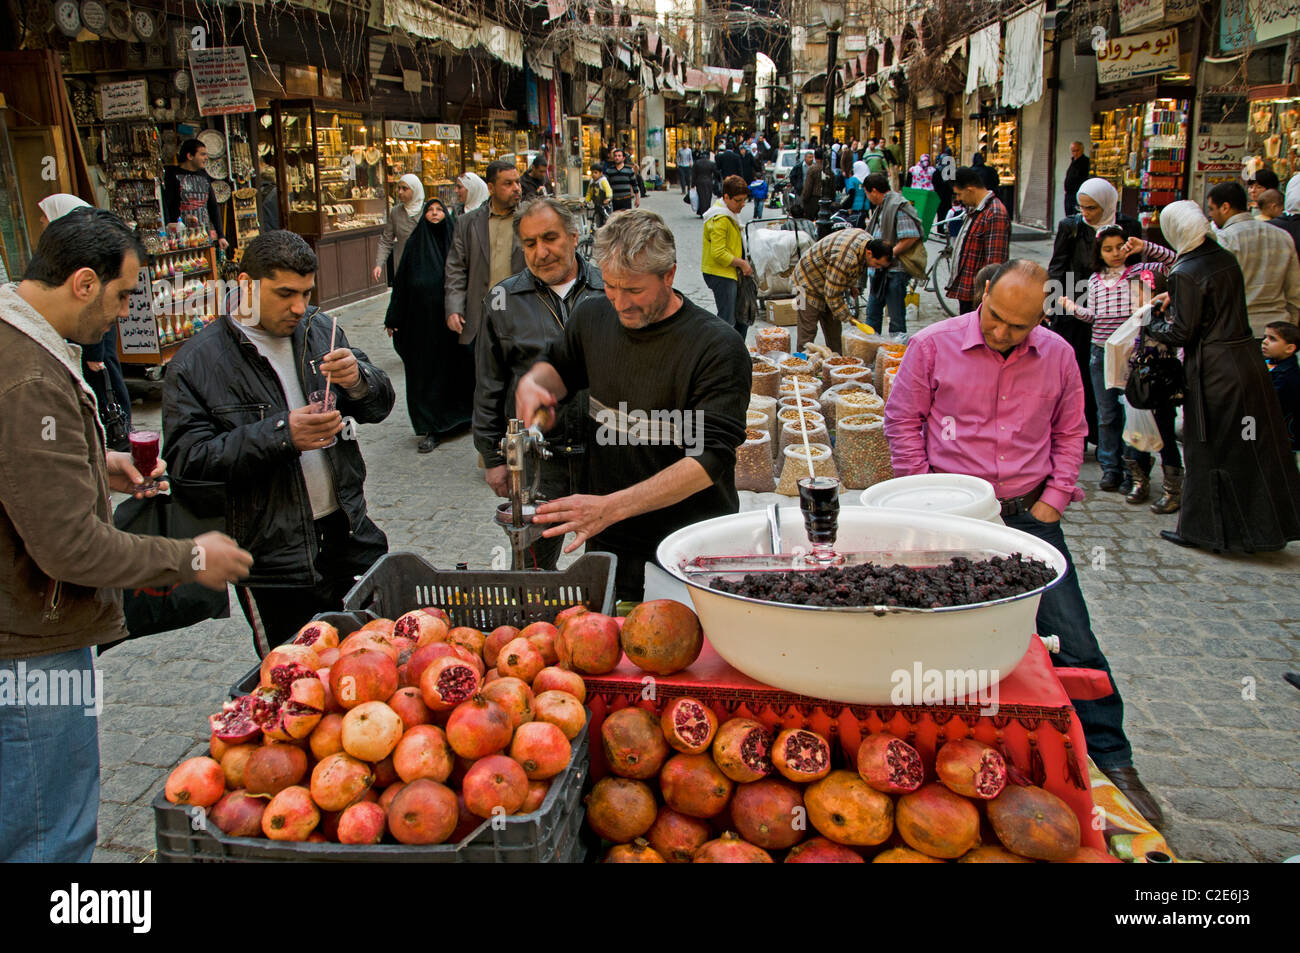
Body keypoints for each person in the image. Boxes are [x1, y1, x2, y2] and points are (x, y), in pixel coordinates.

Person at [0, 209, 252, 862]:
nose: (122, 314)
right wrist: (191, 555)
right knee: (46, 832)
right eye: (121, 296)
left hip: (21, 632)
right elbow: (70, 548)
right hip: (26, 642)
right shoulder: (28, 377)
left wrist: (97, 466)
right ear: (83, 282)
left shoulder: (18, 342)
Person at [883, 258, 1164, 827]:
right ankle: (949, 757)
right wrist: (925, 498)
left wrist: (1052, 500)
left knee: (1072, 635)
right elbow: (902, 420)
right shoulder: (933, 345)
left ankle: (1113, 759)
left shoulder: (1057, 355)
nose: (1003, 334)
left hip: (1031, 517)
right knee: (944, 640)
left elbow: (1071, 430)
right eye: (996, 318)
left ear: (1042, 317)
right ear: (983, 293)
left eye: (1019, 326)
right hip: (953, 519)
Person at [163, 230, 395, 654]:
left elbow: (379, 406)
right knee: (295, 671)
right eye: (285, 293)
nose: (298, 307)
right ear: (245, 284)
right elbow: (187, 463)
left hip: (348, 533)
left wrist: (360, 381)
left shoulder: (320, 330)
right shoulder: (197, 363)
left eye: (307, 293)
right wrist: (281, 436)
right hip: (273, 555)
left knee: (376, 655)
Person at [512, 209, 751, 601]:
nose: (620, 303)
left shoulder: (717, 347)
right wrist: (535, 384)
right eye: (610, 286)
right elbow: (560, 367)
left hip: (688, 547)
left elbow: (708, 461)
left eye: (635, 291)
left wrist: (610, 507)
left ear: (669, 275)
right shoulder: (592, 316)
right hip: (612, 542)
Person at [1142, 201, 1300, 552]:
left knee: (1206, 446)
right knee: (1249, 445)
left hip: (1214, 371)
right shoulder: (1224, 258)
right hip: (1246, 362)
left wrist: (1152, 320)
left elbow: (1182, 332)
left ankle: (1203, 531)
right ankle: (1258, 530)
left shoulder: (1185, 270)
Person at [474, 198, 605, 569]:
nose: (541, 252)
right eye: (530, 243)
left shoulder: (608, 288)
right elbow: (489, 385)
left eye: (550, 238)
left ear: (574, 236)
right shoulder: (502, 300)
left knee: (607, 561)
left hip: (604, 455)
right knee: (532, 569)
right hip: (539, 462)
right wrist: (494, 457)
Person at [1057, 227, 1176, 497]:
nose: (1114, 253)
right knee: (1106, 413)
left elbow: (1174, 262)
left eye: (1119, 247)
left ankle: (1133, 469)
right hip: (1100, 353)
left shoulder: (1139, 273)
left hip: (1133, 354)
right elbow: (1094, 317)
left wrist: (1144, 246)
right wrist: (1072, 307)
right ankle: (1110, 468)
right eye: (1107, 249)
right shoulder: (1095, 280)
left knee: (1132, 414)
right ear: (1098, 252)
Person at [1047, 176, 1142, 461]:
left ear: (1107, 204)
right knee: (1079, 373)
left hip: (1117, 312)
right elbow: (1058, 266)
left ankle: (1111, 442)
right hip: (1075, 306)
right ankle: (1081, 433)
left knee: (1112, 377)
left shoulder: (1127, 228)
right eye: (1083, 207)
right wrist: (1053, 307)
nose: (1086, 214)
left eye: (1093, 208)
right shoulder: (1071, 226)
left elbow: (1139, 267)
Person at [38, 194, 133, 448]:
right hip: (93, 336)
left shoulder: (83, 259)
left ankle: (119, 435)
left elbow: (94, 305)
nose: (42, 224)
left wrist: (94, 350)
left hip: (94, 338)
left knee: (106, 385)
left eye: (46, 218)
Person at [384, 199, 470, 453]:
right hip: (421, 326)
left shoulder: (456, 244)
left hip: (453, 326)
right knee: (426, 375)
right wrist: (393, 318)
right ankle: (431, 426)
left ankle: (461, 419)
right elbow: (400, 284)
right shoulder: (414, 245)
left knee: (456, 372)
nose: (434, 214)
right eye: (430, 210)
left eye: (439, 210)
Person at [445, 160, 526, 347]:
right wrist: (454, 308)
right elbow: (455, 268)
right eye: (508, 183)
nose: (516, 188)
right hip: (480, 318)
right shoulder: (468, 223)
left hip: (520, 316)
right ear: (491, 187)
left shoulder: (529, 219)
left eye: (517, 182)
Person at [1206, 181, 1300, 337]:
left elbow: (1215, 291)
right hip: (1277, 331)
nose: (1211, 215)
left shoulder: (1224, 239)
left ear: (1225, 207)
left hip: (1237, 331)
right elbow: (1294, 291)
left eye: (1211, 209)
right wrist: (1289, 328)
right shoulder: (1282, 236)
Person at [793, 230, 894, 352]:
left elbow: (855, 268)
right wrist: (849, 318)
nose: (877, 268)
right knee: (807, 331)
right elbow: (832, 296)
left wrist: (851, 284)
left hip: (829, 278)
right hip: (805, 280)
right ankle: (800, 365)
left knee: (834, 330)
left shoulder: (868, 241)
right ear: (869, 253)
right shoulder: (846, 259)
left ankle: (835, 363)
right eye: (877, 264)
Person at [946, 166, 1011, 314]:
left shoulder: (995, 213)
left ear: (970, 189)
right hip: (968, 292)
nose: (958, 199)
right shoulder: (975, 209)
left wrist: (986, 298)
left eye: (959, 194)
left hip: (978, 297)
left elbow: (995, 264)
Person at [863, 173, 922, 334]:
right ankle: (871, 349)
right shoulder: (883, 206)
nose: (868, 198)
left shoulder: (897, 205)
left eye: (867, 193)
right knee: (872, 314)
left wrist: (887, 256)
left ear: (874, 191)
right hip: (880, 271)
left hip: (895, 271)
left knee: (896, 318)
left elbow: (910, 236)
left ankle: (897, 355)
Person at [702, 176, 755, 339]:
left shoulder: (729, 214)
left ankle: (737, 350)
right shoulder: (720, 219)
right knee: (727, 319)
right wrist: (742, 263)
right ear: (726, 197)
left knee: (741, 316)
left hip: (731, 272)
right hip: (721, 274)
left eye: (744, 200)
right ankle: (722, 353)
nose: (742, 204)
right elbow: (718, 253)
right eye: (738, 201)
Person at [163, 138, 228, 251]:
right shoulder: (172, 176)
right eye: (202, 154)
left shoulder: (204, 176)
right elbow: (166, 205)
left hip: (203, 237)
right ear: (190, 156)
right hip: (181, 240)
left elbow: (213, 207)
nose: (206, 158)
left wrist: (221, 235)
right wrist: (169, 226)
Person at [373, 174, 425, 283]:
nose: (400, 192)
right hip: (404, 269)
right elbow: (386, 241)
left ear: (415, 190)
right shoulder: (395, 212)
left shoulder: (428, 211)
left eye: (405, 189)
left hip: (425, 269)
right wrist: (379, 264)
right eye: (399, 188)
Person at [1264, 320, 1300, 457]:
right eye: (1265, 337)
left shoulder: (1288, 377)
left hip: (1281, 438)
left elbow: (1271, 404)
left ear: (1289, 348)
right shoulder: (1269, 363)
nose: (1265, 342)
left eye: (1272, 339)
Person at [1062, 141, 1090, 217]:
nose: (1075, 153)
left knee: (1076, 216)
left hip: (1077, 195)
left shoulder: (1086, 162)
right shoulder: (1073, 161)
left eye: (1077, 150)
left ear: (1082, 150)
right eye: (1073, 151)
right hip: (1069, 195)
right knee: (1069, 216)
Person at [691, 148, 719, 218]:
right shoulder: (711, 163)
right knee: (708, 197)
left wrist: (692, 184)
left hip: (699, 181)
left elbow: (694, 174)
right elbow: (716, 173)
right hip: (708, 181)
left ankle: (701, 211)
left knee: (701, 197)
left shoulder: (697, 163)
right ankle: (706, 211)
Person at [842, 159, 869, 228]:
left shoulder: (853, 179)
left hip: (855, 207)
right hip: (865, 206)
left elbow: (851, 193)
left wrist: (844, 206)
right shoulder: (867, 179)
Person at [587, 162, 613, 226]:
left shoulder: (603, 181)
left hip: (605, 206)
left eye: (596, 172)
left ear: (601, 173)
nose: (593, 174)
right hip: (597, 204)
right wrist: (586, 201)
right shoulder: (591, 181)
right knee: (597, 220)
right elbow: (589, 193)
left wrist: (608, 198)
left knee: (607, 221)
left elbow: (608, 190)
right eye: (592, 173)